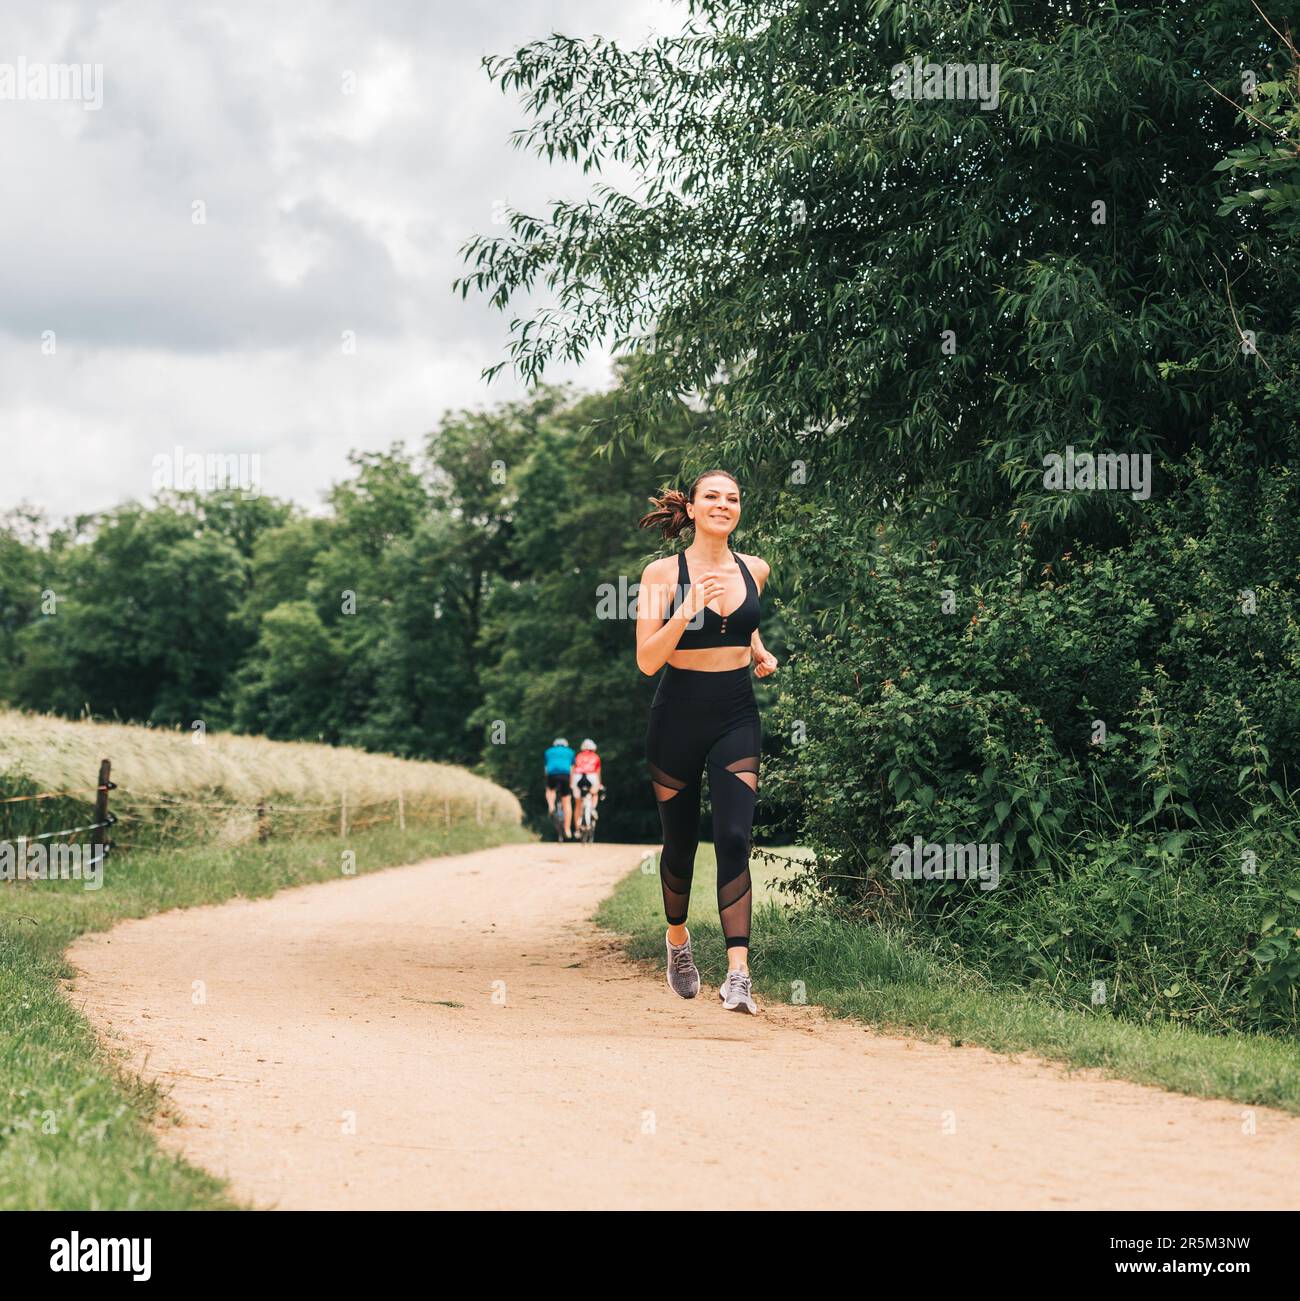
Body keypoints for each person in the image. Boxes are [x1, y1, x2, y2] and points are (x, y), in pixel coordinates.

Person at [636, 469, 778, 1014]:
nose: (724, 505)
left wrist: (757, 651)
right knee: (679, 843)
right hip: (676, 716)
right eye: (712, 497)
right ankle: (677, 944)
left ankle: (738, 973)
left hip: (735, 713)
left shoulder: (755, 569)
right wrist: (687, 610)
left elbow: (743, 624)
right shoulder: (660, 574)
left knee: (736, 835)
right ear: (692, 509)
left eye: (733, 498)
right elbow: (648, 660)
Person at [542, 737, 576, 840]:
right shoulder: (570, 752)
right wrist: (571, 783)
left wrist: (547, 780)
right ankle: (567, 829)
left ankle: (551, 807)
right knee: (566, 801)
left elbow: (546, 769)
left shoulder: (548, 752)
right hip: (565, 775)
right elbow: (572, 769)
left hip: (552, 775)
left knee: (550, 791)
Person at [571, 739, 602, 832]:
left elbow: (573, 770)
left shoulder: (578, 756)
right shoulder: (596, 757)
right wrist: (599, 785)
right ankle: (592, 808)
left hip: (578, 776)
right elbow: (598, 773)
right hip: (591, 775)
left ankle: (577, 830)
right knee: (595, 792)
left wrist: (572, 784)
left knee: (578, 803)